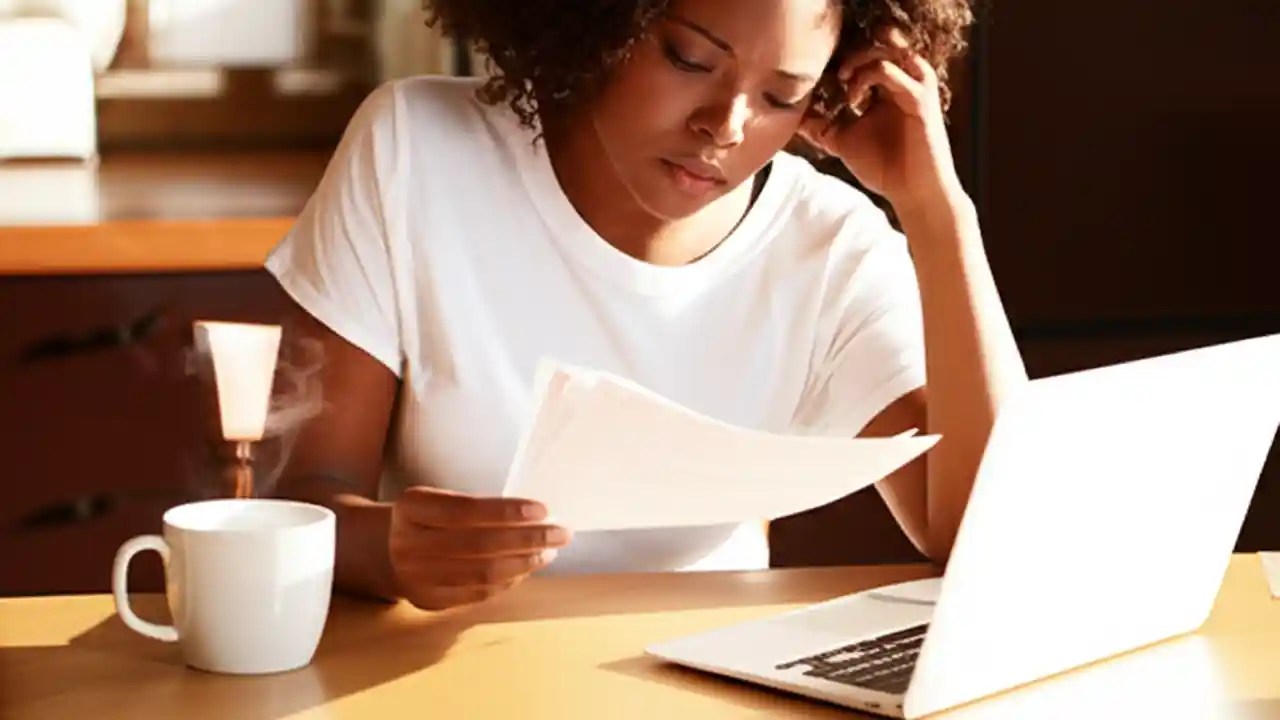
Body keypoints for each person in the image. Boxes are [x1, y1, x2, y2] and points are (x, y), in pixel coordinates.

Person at [265, 0, 1027, 612]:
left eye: (782, 96)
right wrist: (389, 552)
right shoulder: (417, 149)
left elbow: (992, 534)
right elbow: (298, 498)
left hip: (708, 682)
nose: (725, 125)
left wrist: (937, 214)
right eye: (689, 59)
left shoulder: (827, 247)